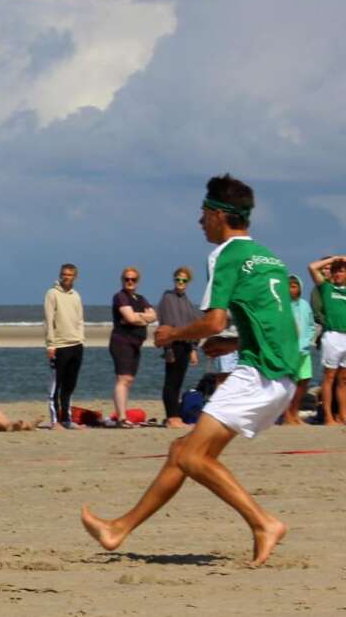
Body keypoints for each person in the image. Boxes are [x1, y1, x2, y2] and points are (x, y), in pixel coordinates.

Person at [82, 173, 300, 567]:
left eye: (203, 213)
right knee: (181, 450)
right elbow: (278, 323)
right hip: (282, 375)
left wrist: (173, 335)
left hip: (258, 375)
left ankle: (264, 523)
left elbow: (214, 321)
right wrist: (234, 344)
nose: (199, 221)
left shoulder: (225, 255)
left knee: (193, 458)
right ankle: (118, 529)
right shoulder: (271, 257)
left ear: (219, 215)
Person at [108, 266, 157, 427]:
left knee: (129, 380)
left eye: (133, 279)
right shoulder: (120, 297)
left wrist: (139, 317)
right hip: (122, 342)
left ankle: (123, 416)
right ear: (122, 280)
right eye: (127, 279)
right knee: (123, 378)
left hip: (136, 343)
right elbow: (130, 318)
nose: (130, 282)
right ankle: (121, 418)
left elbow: (154, 316)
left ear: (137, 281)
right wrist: (141, 317)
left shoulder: (140, 298)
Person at [157, 266, 201, 428]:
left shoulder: (187, 302)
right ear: (174, 280)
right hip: (173, 345)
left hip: (186, 345)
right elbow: (166, 324)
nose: (180, 283)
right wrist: (168, 348)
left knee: (178, 381)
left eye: (184, 280)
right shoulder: (168, 297)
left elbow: (194, 325)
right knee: (171, 381)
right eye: (178, 279)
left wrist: (194, 350)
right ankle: (172, 416)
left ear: (188, 282)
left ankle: (175, 415)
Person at [44, 263, 84, 429]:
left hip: (76, 344)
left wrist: (81, 339)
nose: (66, 277)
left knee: (70, 384)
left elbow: (80, 319)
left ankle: (67, 419)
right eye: (64, 274)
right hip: (59, 345)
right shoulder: (52, 293)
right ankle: (55, 421)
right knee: (56, 385)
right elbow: (48, 320)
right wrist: (50, 345)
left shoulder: (76, 295)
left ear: (75, 277)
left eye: (69, 274)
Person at [308, 256, 346, 424]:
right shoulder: (327, 288)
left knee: (344, 379)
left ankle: (343, 415)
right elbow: (312, 267)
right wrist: (335, 259)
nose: (338, 273)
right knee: (329, 377)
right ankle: (329, 416)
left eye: (342, 270)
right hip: (332, 336)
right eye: (335, 270)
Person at [283, 274, 316, 425]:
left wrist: (307, 341)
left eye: (294, 286)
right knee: (288, 383)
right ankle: (286, 416)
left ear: (300, 288)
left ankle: (295, 413)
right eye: (288, 286)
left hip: (304, 350)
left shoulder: (304, 305)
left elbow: (310, 325)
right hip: (288, 350)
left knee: (304, 381)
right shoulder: (282, 305)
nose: (291, 289)